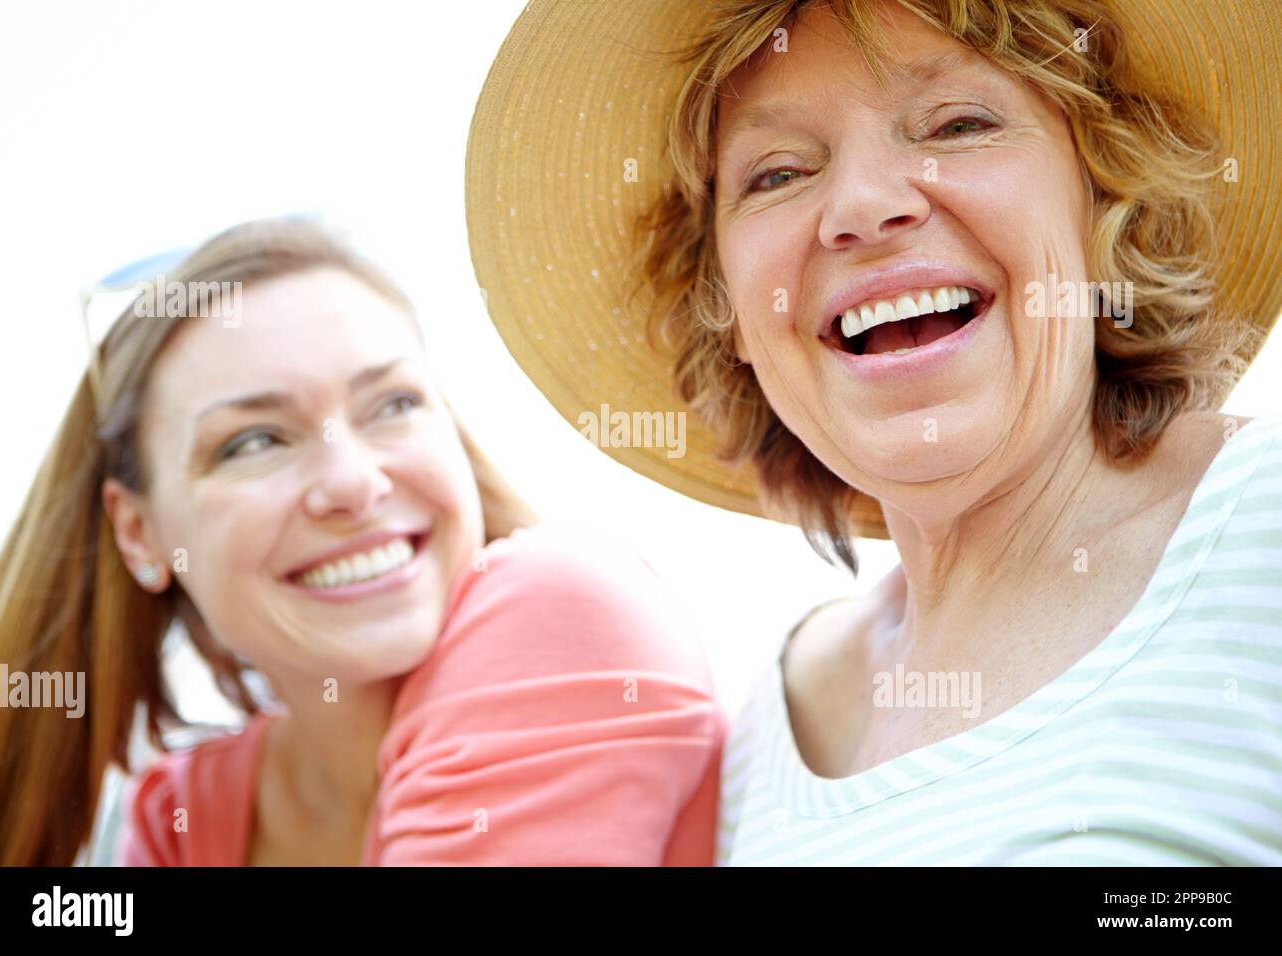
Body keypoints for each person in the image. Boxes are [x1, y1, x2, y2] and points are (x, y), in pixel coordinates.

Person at [464, 0, 1282, 864]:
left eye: (957, 123)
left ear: (1102, 197)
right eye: (776, 174)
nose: (860, 206)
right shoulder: (763, 731)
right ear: (731, 313)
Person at [0, 218, 725, 866]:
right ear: (139, 535)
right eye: (253, 442)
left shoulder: (561, 612)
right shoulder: (181, 817)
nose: (353, 482)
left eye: (394, 403)